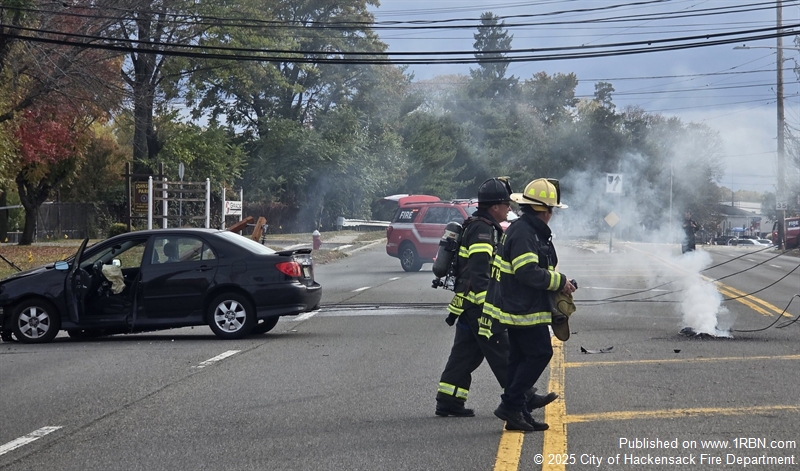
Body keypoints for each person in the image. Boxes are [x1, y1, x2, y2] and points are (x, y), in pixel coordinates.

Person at [436, 177, 558, 419]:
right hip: (478, 304)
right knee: (503, 349)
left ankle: (448, 400)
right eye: (505, 205)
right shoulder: (482, 229)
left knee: (465, 354)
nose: (509, 209)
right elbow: (480, 272)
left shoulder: (481, 225)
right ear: (494, 207)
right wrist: (489, 307)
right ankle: (522, 396)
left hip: (467, 303)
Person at [481, 178, 576, 432]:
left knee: (519, 357)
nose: (552, 215)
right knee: (540, 353)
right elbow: (528, 273)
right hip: (523, 309)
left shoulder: (526, 229)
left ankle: (519, 412)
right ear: (544, 211)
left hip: (520, 306)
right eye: (552, 210)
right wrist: (560, 282)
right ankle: (511, 404)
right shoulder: (525, 232)